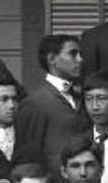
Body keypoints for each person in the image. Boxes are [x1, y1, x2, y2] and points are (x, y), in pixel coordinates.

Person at [19, 33, 85, 173]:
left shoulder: (84, 97)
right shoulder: (35, 103)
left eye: (80, 54)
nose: (80, 59)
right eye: (73, 54)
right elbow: (29, 155)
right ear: (52, 59)